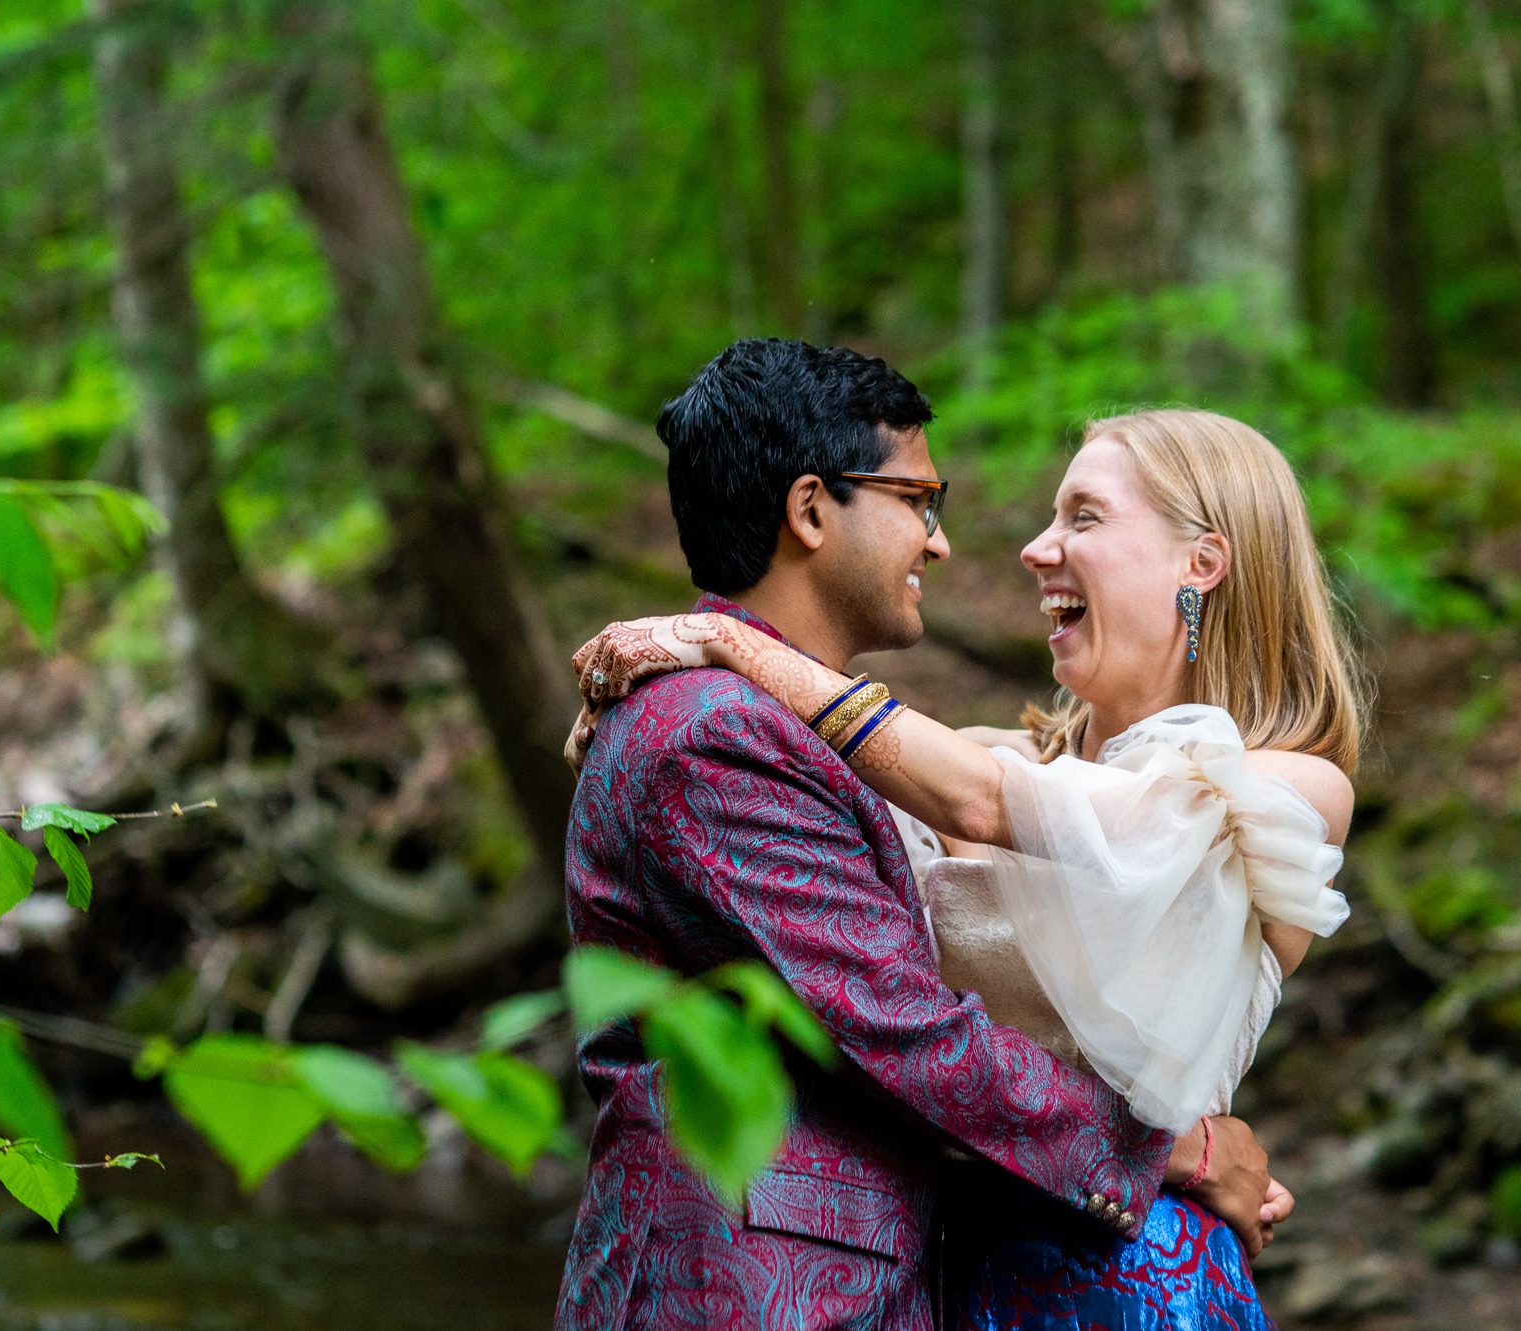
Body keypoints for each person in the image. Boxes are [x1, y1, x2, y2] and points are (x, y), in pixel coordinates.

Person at [571, 405, 1362, 1328]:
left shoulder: (1282, 790)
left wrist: (728, 643)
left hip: (1132, 1273)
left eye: (1084, 517)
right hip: (942, 1268)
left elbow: (990, 802)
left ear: (1204, 561)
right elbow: (830, 789)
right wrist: (666, 695)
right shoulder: (988, 760)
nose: (1036, 547)